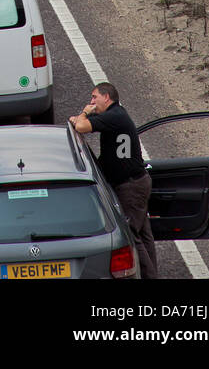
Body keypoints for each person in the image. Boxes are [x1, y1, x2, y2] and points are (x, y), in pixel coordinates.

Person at [70, 82, 158, 279]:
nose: (92, 101)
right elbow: (84, 121)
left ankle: (148, 276)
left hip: (130, 186)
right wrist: (80, 118)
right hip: (137, 182)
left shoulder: (113, 116)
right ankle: (152, 274)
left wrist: (83, 113)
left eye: (95, 97)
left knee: (131, 236)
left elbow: (82, 126)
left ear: (106, 97)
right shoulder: (116, 115)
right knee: (143, 234)